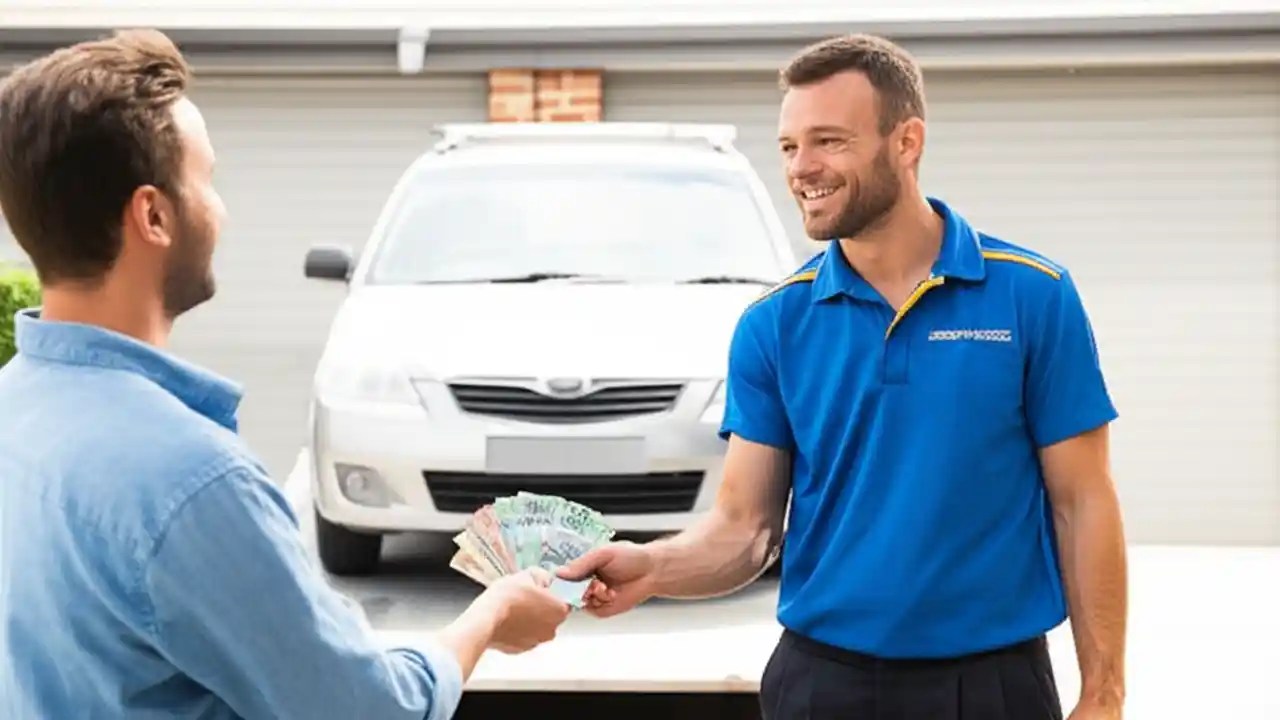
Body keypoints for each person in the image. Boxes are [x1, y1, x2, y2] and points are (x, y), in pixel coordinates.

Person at [0, 29, 571, 720]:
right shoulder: (191, 481)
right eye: (206, 180)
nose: (222, 209)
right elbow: (368, 712)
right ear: (154, 215)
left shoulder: (14, 413)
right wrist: (488, 618)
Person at [559, 33, 1128, 720]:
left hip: (991, 688)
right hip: (823, 685)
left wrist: (1104, 692)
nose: (803, 168)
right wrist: (649, 569)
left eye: (829, 141)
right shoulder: (774, 324)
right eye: (790, 147)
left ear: (907, 142)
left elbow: (1083, 504)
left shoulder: (1033, 296)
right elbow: (746, 530)